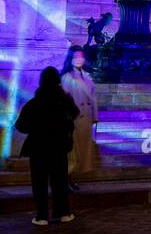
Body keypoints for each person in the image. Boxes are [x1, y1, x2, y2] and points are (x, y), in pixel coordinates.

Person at [16, 66, 79, 225]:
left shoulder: (34, 102)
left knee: (39, 182)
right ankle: (63, 212)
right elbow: (75, 113)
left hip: (38, 146)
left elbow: (21, 125)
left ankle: (42, 215)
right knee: (59, 180)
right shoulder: (64, 100)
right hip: (59, 146)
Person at [61, 46, 99, 189]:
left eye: (81, 56)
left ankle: (70, 178)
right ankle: (66, 178)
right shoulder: (67, 77)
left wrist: (95, 116)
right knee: (72, 152)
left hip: (86, 119)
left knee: (81, 152)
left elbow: (93, 98)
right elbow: (64, 101)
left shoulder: (87, 76)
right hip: (74, 119)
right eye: (76, 57)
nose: (79, 59)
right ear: (70, 59)